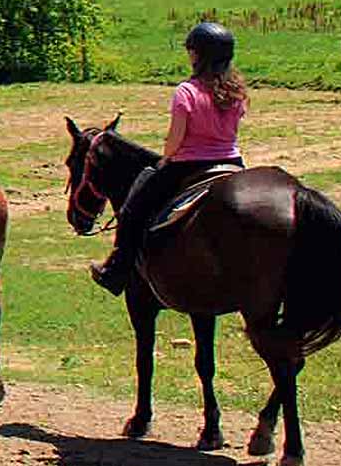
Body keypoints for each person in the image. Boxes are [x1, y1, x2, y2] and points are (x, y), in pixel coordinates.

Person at [91, 22, 248, 295]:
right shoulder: (236, 93)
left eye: (191, 51)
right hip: (233, 163)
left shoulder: (186, 92)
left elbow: (175, 140)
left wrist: (165, 159)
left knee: (131, 210)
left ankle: (116, 270)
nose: (189, 55)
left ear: (199, 56)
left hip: (189, 165)